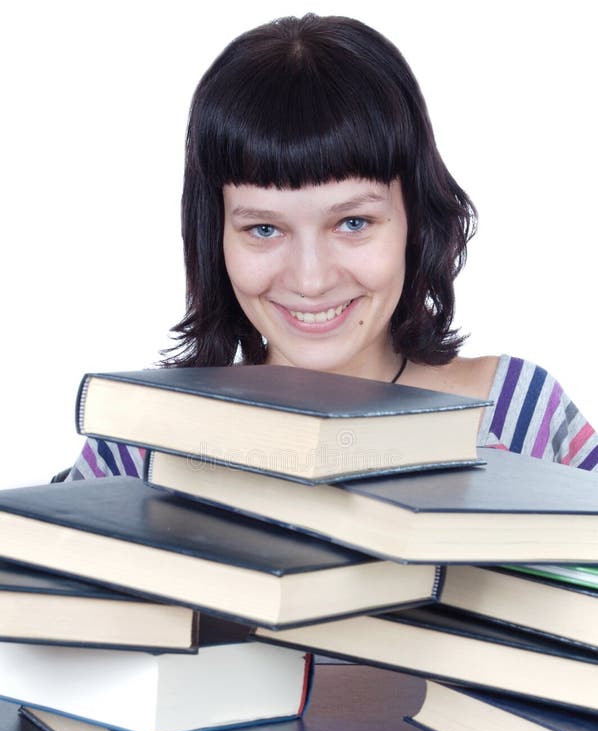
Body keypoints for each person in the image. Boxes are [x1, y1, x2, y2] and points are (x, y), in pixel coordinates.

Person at [66, 13, 597, 481]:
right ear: (215, 236)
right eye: (264, 230)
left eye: (353, 222)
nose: (311, 280)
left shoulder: (521, 415)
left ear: (415, 218)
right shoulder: (141, 437)